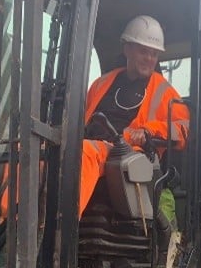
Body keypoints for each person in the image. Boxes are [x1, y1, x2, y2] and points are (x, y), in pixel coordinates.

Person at [80, 14, 189, 216]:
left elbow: (184, 128)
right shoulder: (101, 84)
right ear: (127, 49)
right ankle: (16, 220)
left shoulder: (163, 90)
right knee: (34, 150)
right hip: (92, 145)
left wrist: (149, 130)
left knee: (83, 152)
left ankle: (61, 227)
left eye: (154, 54)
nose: (149, 58)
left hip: (128, 154)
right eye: (143, 51)